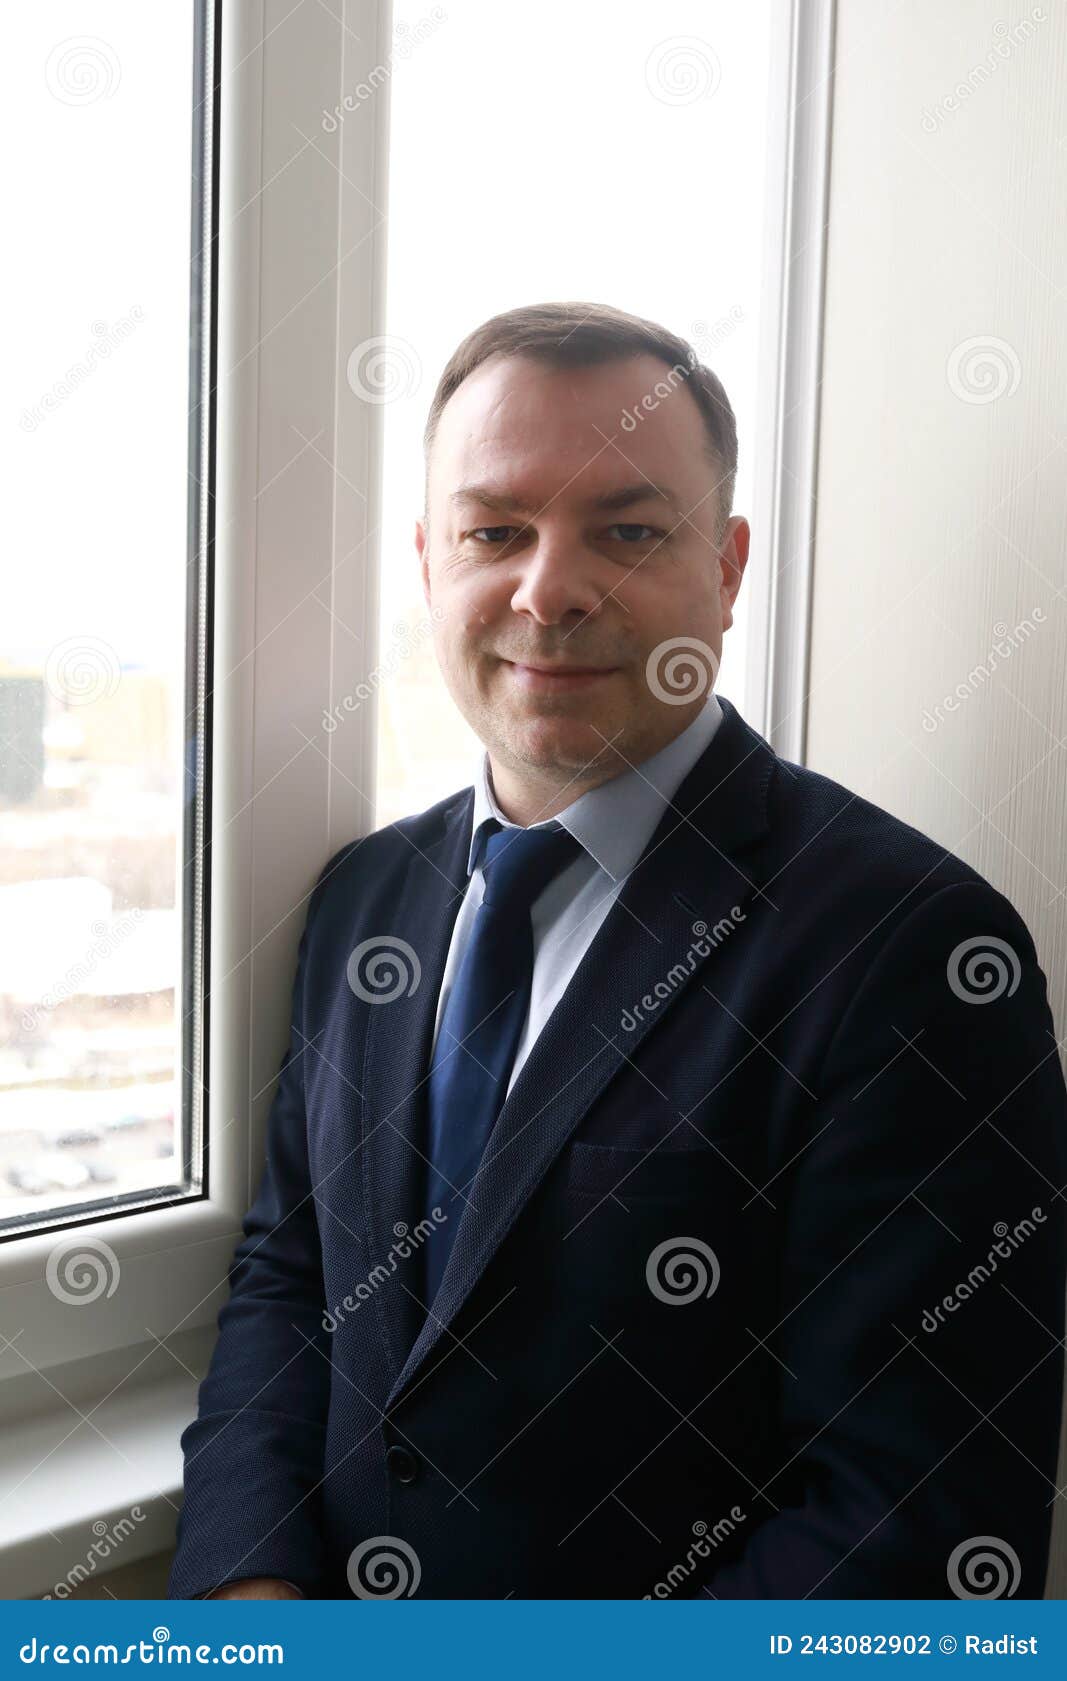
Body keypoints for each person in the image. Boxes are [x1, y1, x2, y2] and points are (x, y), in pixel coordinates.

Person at [168, 302, 1067, 1600]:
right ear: (430, 562)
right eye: (495, 531)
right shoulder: (366, 901)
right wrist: (249, 1602)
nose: (549, 588)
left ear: (729, 567)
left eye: (629, 530)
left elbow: (906, 1525)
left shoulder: (907, 951)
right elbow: (291, 1277)